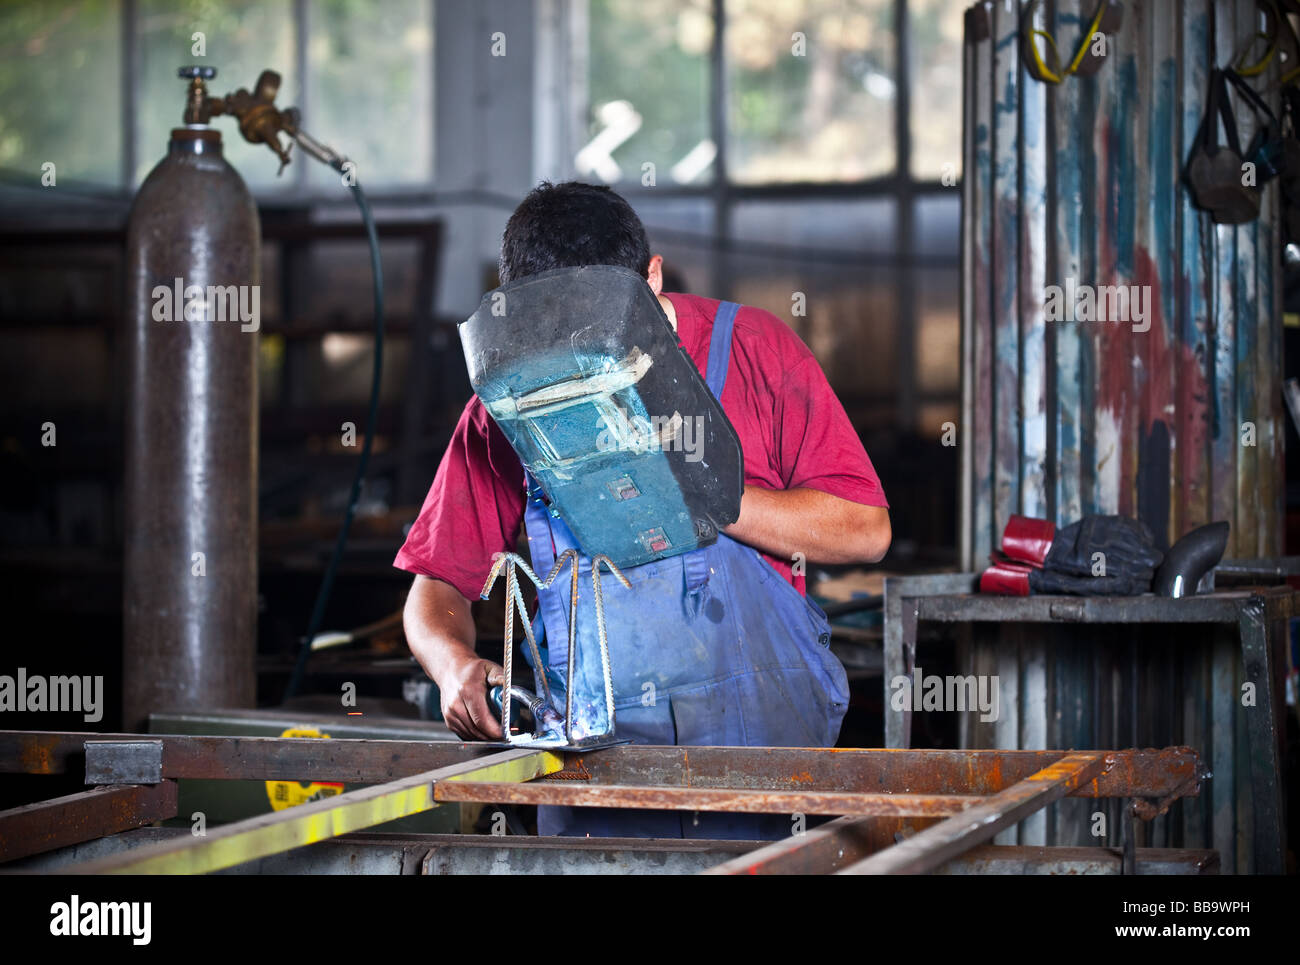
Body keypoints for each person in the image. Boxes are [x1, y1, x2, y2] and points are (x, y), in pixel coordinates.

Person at [395, 180, 890, 838]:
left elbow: (866, 529)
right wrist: (453, 665)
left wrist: (705, 495)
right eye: (551, 327)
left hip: (765, 771)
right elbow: (435, 586)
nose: (574, 357)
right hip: (591, 788)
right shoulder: (507, 406)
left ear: (652, 280)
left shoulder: (753, 350)